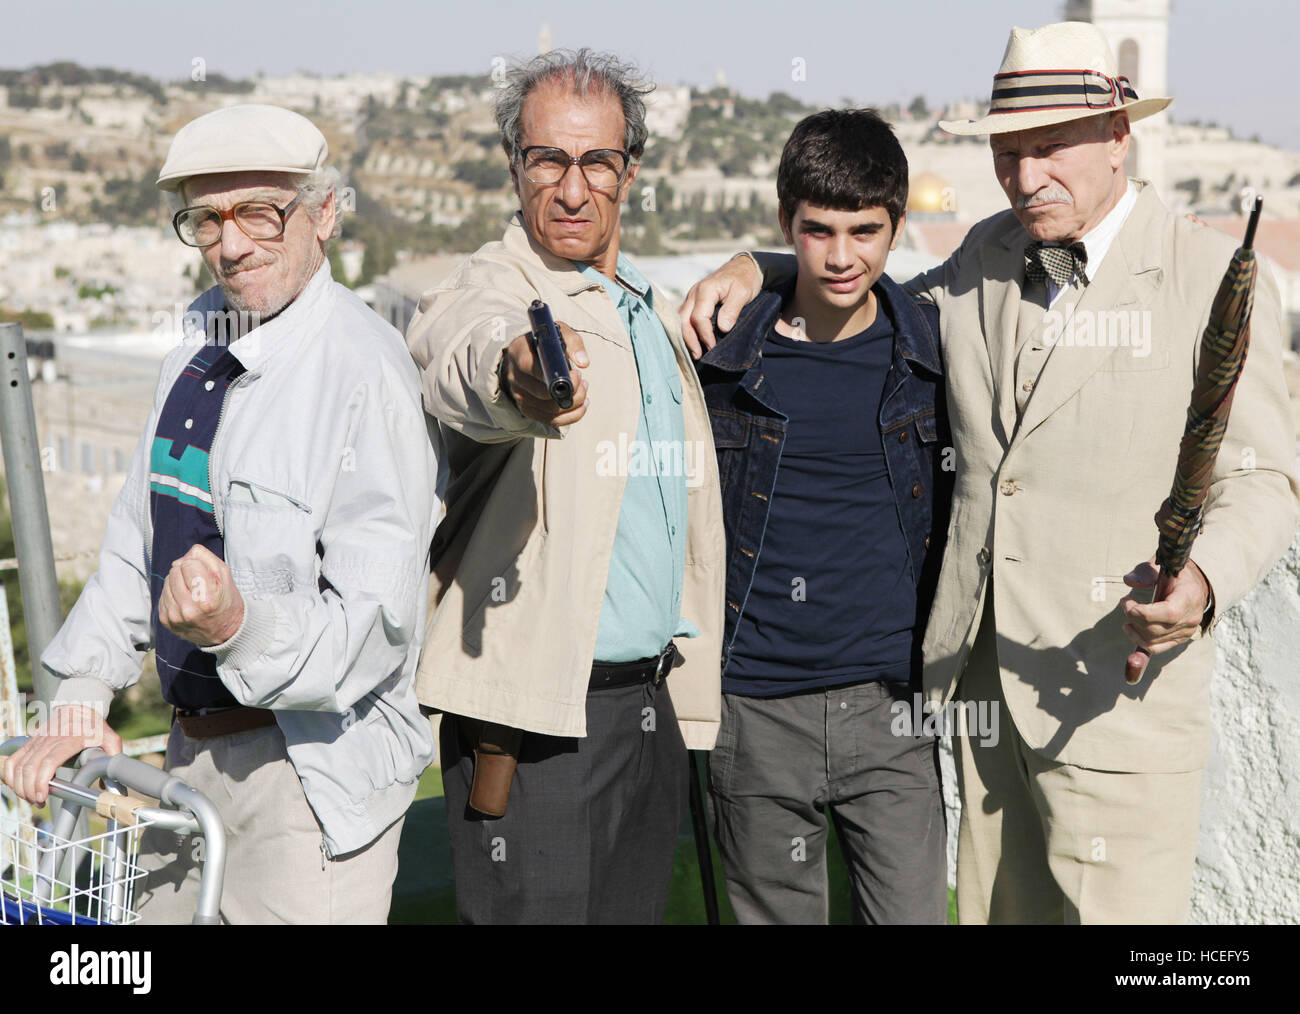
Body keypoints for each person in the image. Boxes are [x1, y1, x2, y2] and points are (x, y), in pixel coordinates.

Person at [677, 22, 1299, 923]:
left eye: (1049, 149)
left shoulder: (1212, 276)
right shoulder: (984, 257)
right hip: (980, 712)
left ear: (1119, 136)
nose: (1024, 177)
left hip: (1118, 706)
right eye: (1008, 154)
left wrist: (1202, 584)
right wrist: (760, 264)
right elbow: (859, 281)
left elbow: (1264, 478)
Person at [2, 104, 442, 924]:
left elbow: (375, 625)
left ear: (326, 213)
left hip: (309, 785)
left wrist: (240, 626)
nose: (231, 244)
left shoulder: (364, 374)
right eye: (207, 218)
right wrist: (79, 701)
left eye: (259, 212)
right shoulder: (193, 356)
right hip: (183, 763)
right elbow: (134, 546)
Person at [406, 49, 724, 925]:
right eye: (548, 159)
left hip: (648, 709)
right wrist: (521, 377)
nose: (573, 189)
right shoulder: (490, 287)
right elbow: (467, 352)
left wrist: (754, 261)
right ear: (514, 166)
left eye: (597, 162)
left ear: (632, 172)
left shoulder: (649, 312)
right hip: (535, 726)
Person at [694, 108, 949, 924]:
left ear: (897, 227)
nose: (842, 257)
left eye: (865, 231)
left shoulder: (932, 352)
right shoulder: (719, 356)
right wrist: (749, 268)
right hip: (755, 710)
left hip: (894, 711)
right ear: (785, 223)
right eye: (818, 231)